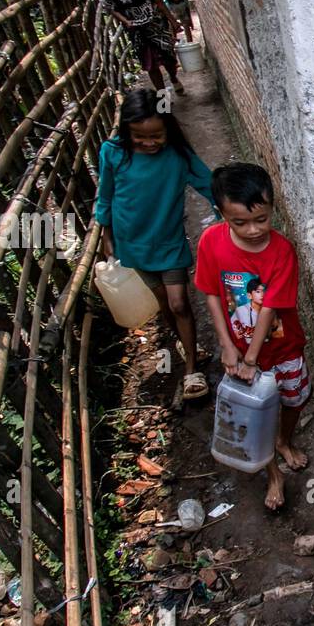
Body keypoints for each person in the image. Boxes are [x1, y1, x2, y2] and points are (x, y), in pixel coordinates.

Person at [194, 163, 311, 511]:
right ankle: (273, 473)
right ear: (221, 215)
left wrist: (251, 359)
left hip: (282, 346)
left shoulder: (281, 252)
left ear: (272, 207)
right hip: (240, 350)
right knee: (254, 412)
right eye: (240, 222)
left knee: (293, 398)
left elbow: (270, 310)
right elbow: (211, 293)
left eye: (262, 219)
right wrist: (228, 346)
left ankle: (283, 440)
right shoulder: (211, 242)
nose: (254, 230)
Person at [95, 88, 216, 400]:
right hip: (132, 246)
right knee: (163, 304)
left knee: (179, 303)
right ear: (127, 131)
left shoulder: (178, 156)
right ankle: (186, 343)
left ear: (168, 131)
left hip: (169, 242)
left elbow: (209, 184)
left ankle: (191, 370)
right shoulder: (114, 153)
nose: (149, 143)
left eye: (156, 136)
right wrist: (106, 236)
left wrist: (231, 215)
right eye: (139, 136)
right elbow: (105, 196)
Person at [101, 0, 185, 95]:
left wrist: (173, 21)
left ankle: (173, 78)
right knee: (151, 66)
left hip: (156, 24)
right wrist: (125, 21)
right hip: (136, 30)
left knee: (169, 59)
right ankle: (163, 103)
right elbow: (109, 7)